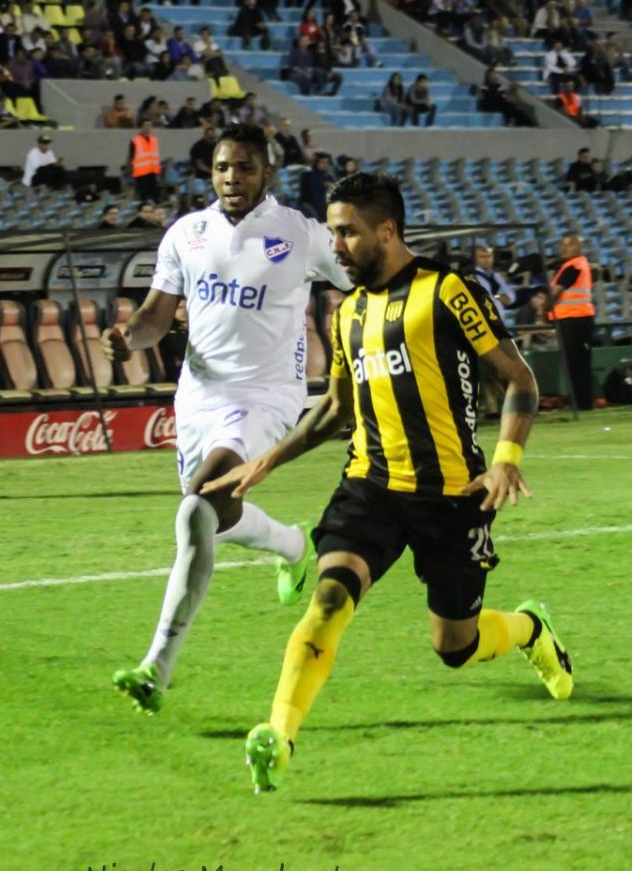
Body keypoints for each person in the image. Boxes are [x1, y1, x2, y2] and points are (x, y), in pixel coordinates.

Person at [199, 171, 573, 793]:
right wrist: (269, 458)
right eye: (331, 233)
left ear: (388, 230)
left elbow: (519, 378)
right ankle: (279, 736)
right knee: (327, 601)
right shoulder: (346, 313)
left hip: (454, 495)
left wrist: (506, 457)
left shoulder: (447, 290)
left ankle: (530, 628)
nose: (336, 246)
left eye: (347, 232)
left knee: (455, 647)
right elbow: (336, 411)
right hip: (370, 486)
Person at [102, 122, 353, 715]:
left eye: (243, 167)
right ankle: (293, 544)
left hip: (267, 395)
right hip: (198, 398)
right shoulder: (185, 235)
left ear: (268, 173)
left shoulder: (300, 233)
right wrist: (126, 338)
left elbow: (361, 277)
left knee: (197, 506)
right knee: (211, 516)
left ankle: (156, 667)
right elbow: (155, 317)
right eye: (221, 168)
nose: (231, 178)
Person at [546, 232, 597, 411]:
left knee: (577, 364)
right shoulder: (575, 265)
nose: (564, 249)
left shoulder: (573, 266)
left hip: (575, 320)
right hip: (575, 319)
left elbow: (556, 292)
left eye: (569, 245)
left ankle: (582, 403)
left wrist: (544, 307)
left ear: (578, 247)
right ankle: (580, 401)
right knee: (577, 363)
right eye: (563, 245)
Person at [471, 244, 516, 314]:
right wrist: (499, 297)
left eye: (489, 256)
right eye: (482, 257)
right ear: (475, 259)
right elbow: (488, 298)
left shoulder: (496, 275)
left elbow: (511, 296)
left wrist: (498, 296)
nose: (486, 260)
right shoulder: (473, 277)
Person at [126, 118, 161, 201]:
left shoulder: (154, 139)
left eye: (150, 125)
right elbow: (131, 156)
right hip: (141, 172)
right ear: (141, 127)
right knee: (143, 195)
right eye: (146, 125)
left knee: (155, 194)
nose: (148, 127)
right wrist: (129, 170)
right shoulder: (135, 140)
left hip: (153, 171)